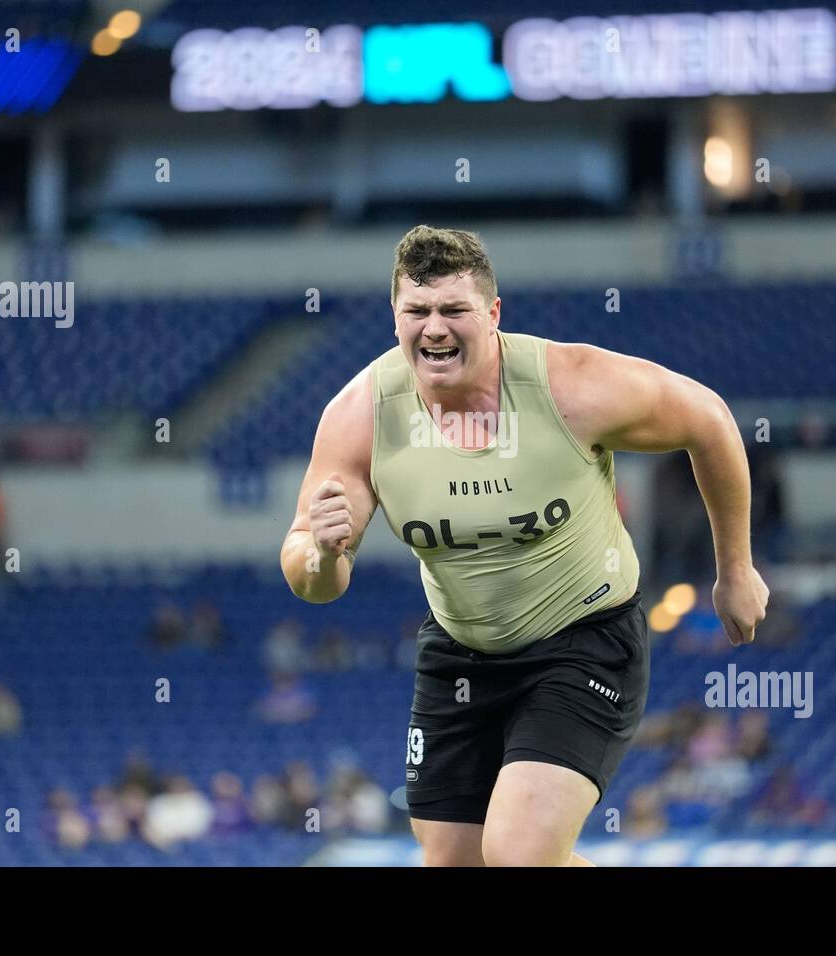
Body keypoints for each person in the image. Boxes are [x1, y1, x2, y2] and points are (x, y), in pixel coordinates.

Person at [280, 225, 768, 866]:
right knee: (456, 862)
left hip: (583, 642)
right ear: (394, 317)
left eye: (454, 310)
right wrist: (321, 553)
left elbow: (708, 419)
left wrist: (735, 567)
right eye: (416, 312)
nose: (434, 329)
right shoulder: (361, 415)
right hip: (460, 655)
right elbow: (313, 578)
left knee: (517, 853)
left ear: (493, 314)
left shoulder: (569, 386)